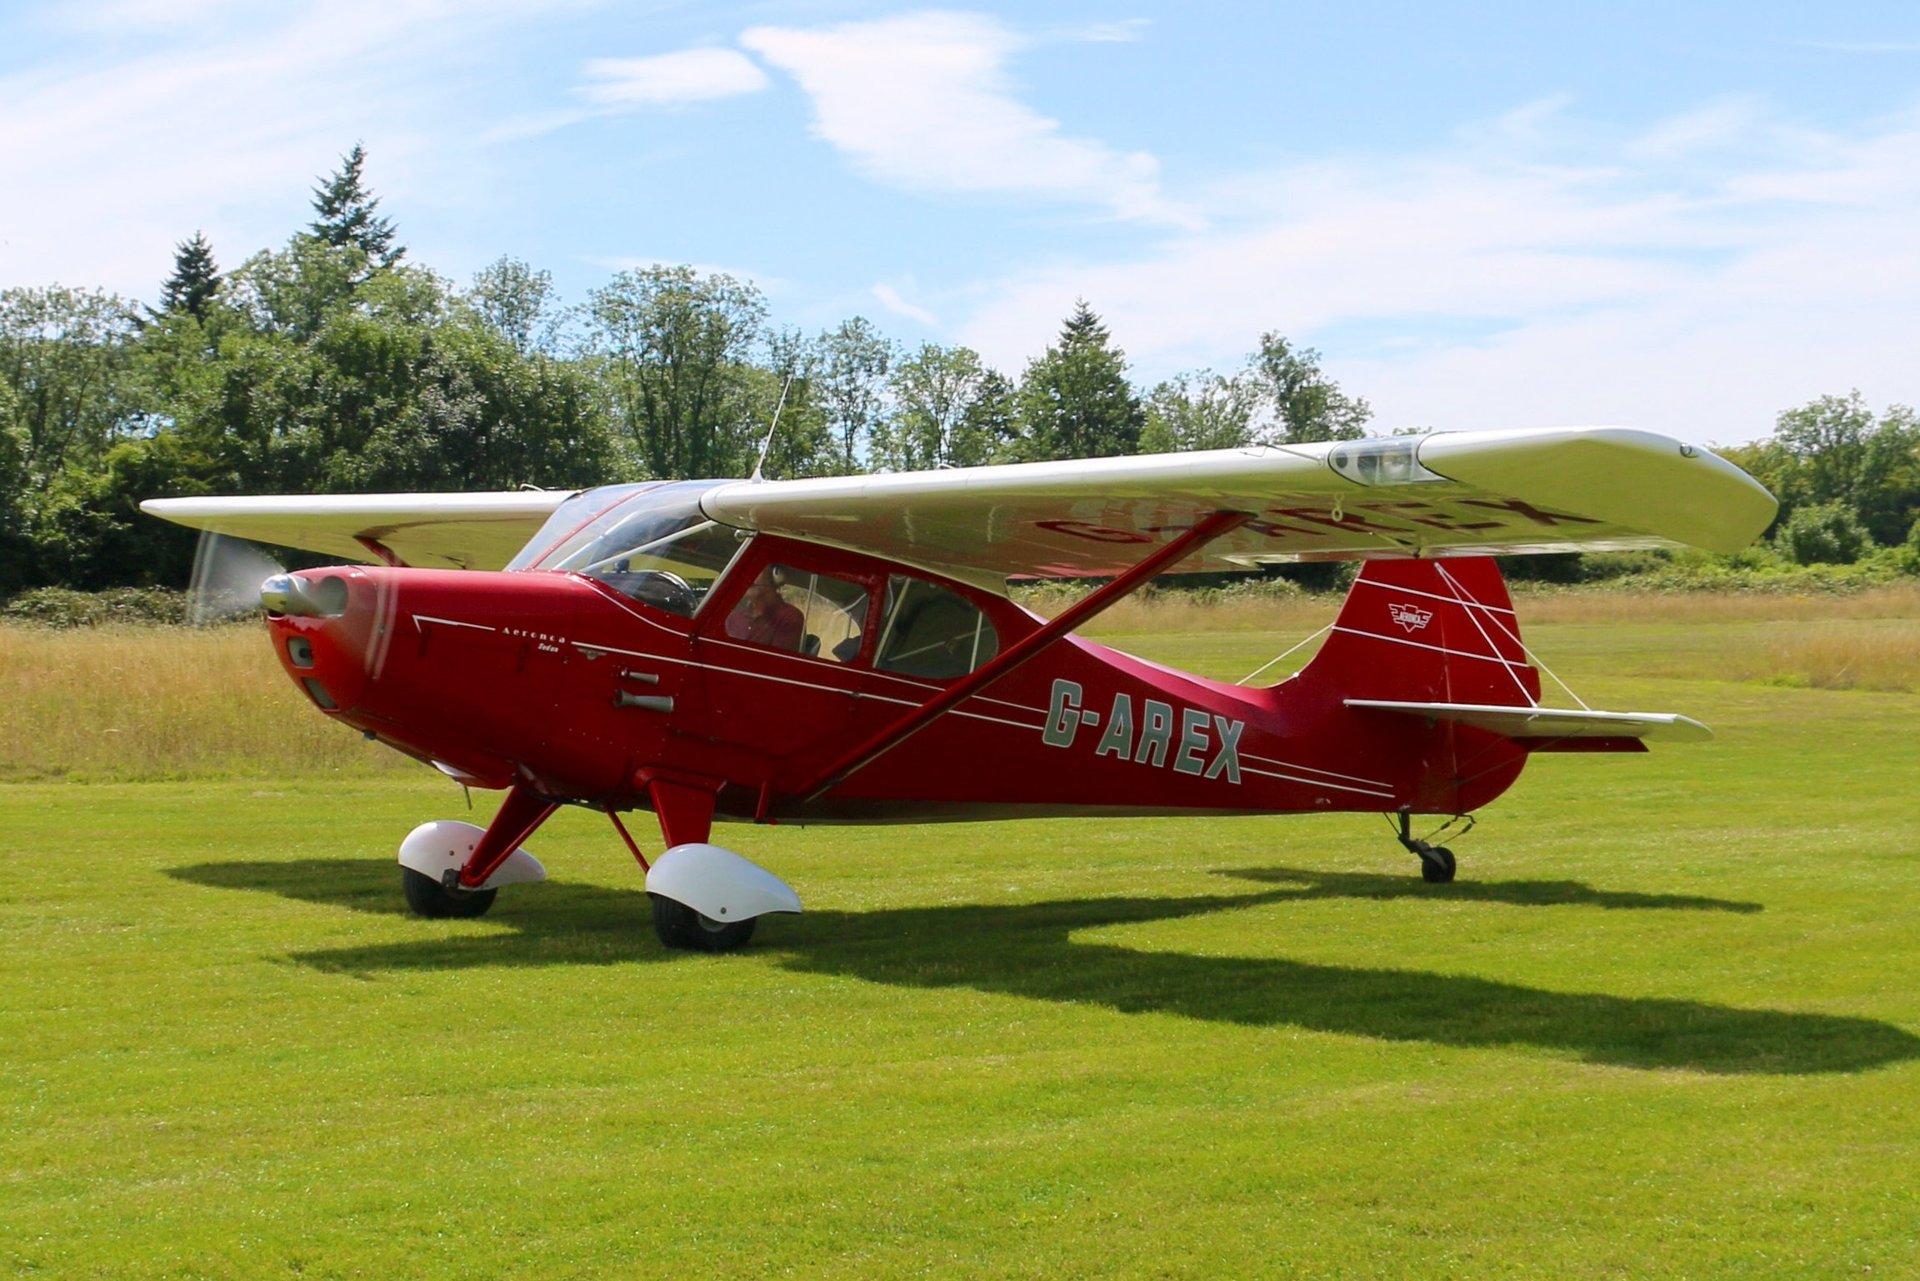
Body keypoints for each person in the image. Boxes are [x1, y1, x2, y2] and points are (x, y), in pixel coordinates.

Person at [726, 566, 805, 651]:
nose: (748, 576)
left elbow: (775, 658)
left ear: (776, 575)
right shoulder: (734, 618)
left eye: (755, 570)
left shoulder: (790, 617)